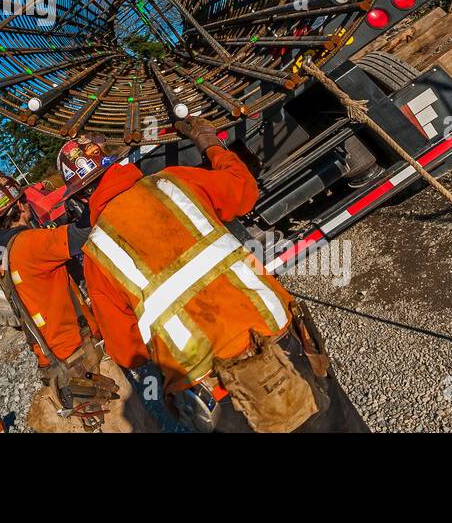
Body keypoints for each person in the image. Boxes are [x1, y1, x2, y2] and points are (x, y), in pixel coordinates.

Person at [71, 120, 369, 433]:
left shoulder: (96, 254)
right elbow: (243, 191)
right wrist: (208, 142)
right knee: (331, 421)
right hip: (273, 333)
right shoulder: (172, 183)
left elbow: (127, 352)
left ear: (82, 199)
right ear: (116, 164)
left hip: (209, 382)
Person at [0, 154, 157, 433]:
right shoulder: (30, 244)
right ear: (20, 205)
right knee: (130, 421)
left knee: (99, 422)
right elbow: (81, 236)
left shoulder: (0, 258)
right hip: (80, 355)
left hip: (55, 364)